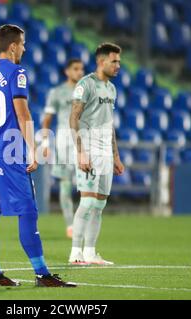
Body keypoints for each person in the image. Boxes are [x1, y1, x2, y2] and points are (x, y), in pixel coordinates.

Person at [0, 24, 76, 287]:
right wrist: (32, 150)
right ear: (13, 46)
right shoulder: (17, 73)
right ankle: (42, 274)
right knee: (28, 212)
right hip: (10, 153)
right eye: (22, 43)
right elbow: (23, 114)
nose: (24, 48)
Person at [68, 43, 125, 265]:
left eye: (119, 61)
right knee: (87, 203)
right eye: (114, 61)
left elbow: (109, 125)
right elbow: (73, 118)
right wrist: (81, 152)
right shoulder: (86, 84)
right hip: (89, 149)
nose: (118, 65)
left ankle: (90, 252)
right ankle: (75, 253)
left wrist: (116, 156)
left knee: (99, 206)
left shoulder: (112, 89)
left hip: (106, 153)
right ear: (102, 62)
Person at [41, 58, 85, 238]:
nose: (79, 72)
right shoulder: (57, 92)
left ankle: (84, 222)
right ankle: (70, 225)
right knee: (65, 184)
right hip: (64, 140)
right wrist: (45, 143)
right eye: (75, 69)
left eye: (81, 69)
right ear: (67, 71)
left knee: (86, 185)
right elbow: (47, 119)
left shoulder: (87, 91)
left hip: (85, 139)